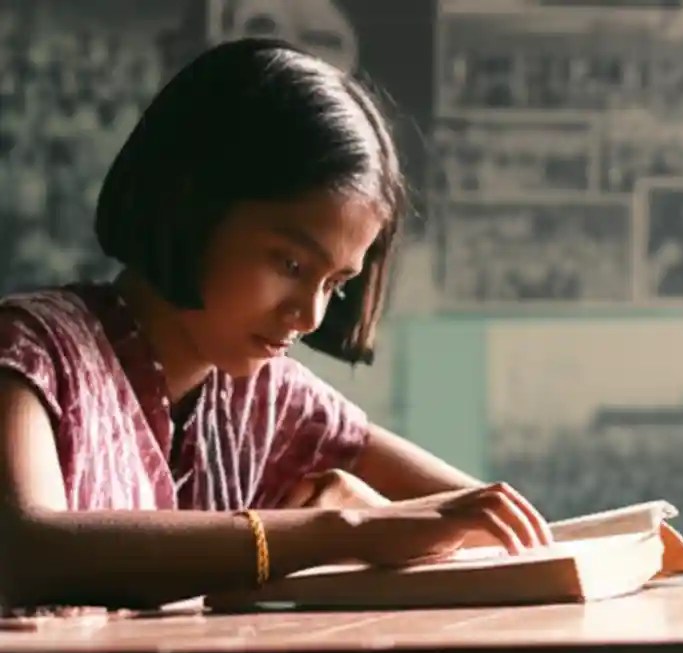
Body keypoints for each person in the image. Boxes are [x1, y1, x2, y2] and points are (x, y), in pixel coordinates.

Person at [0, 38, 556, 611]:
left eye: (335, 283)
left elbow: (494, 518)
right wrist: (344, 530)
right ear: (192, 206)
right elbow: (27, 554)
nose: (311, 315)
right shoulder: (33, 351)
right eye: (290, 264)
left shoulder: (265, 396)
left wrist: (380, 515)